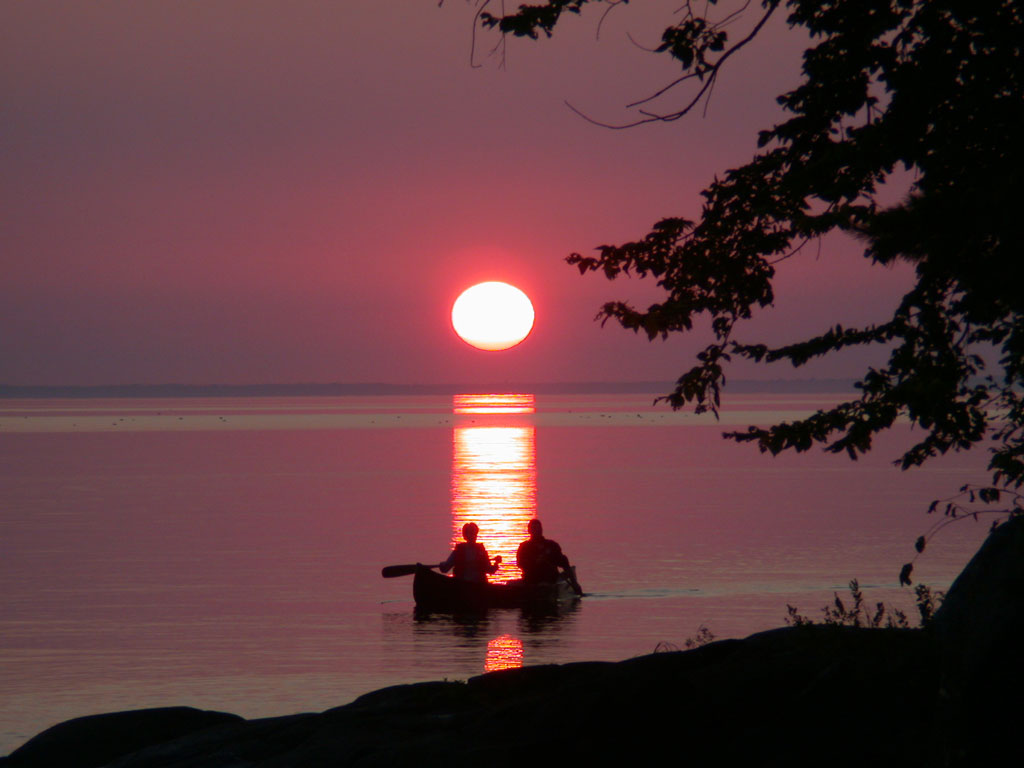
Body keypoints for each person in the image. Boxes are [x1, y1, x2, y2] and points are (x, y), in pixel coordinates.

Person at [516, 519, 581, 594]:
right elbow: (520, 564)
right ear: (529, 531)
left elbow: (563, 562)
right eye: (534, 529)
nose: (536, 531)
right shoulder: (524, 547)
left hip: (549, 579)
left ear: (541, 530)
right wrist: (535, 562)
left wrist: (574, 583)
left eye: (538, 529)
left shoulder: (551, 545)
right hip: (531, 579)